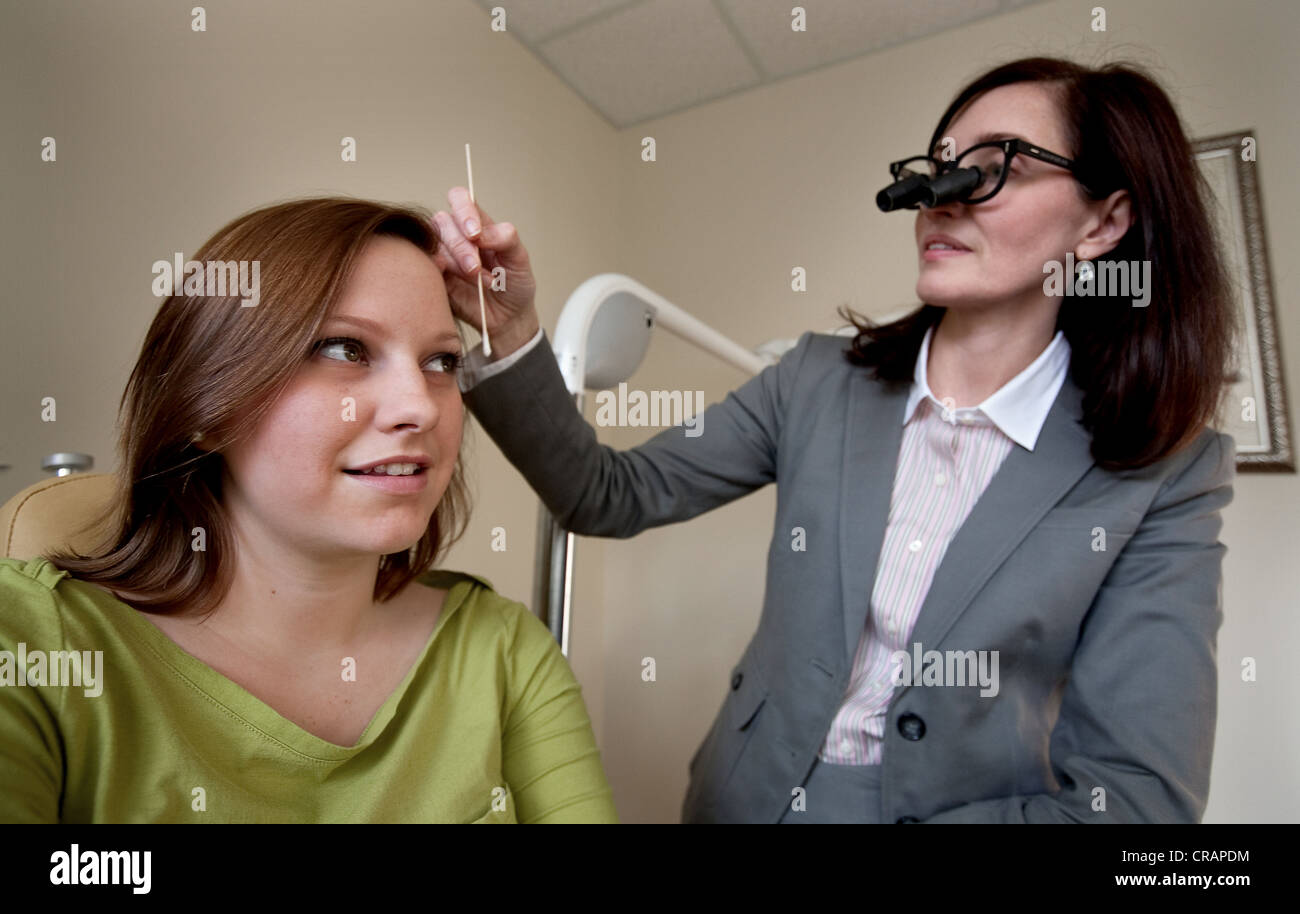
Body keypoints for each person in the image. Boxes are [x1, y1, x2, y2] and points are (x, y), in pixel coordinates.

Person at [433, 56, 1239, 823]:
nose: (942, 196)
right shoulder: (817, 379)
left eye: (994, 165)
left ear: (1104, 224)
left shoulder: (1162, 475)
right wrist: (511, 334)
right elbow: (601, 494)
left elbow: (1138, 803)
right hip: (739, 800)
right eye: (938, 165)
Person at [0, 198, 617, 823]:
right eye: (346, 349)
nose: (422, 408)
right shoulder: (33, 646)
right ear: (208, 404)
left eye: (441, 361)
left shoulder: (502, 652)